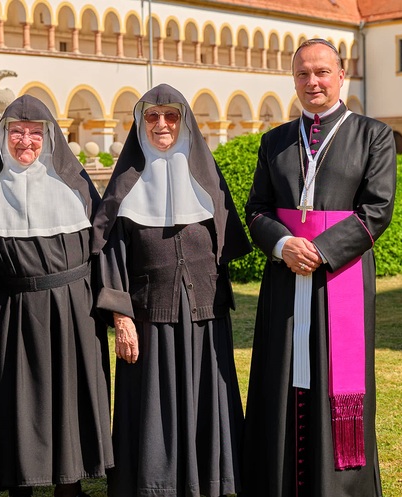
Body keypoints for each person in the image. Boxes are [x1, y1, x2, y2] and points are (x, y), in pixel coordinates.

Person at [239, 39, 396, 496]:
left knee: (334, 379)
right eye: (304, 74)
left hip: (338, 277)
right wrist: (285, 244)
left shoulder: (373, 135)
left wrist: (322, 250)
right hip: (285, 279)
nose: (313, 82)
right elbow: (256, 210)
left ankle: (340, 486)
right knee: (281, 375)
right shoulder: (275, 141)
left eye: (322, 72)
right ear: (294, 80)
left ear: (341, 76)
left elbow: (377, 209)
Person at [91, 83, 252, 497]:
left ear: (184, 122)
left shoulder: (207, 178)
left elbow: (223, 244)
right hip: (148, 316)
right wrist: (122, 317)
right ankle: (154, 483)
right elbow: (109, 255)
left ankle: (210, 480)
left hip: (204, 313)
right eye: (152, 116)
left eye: (171, 116)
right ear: (141, 123)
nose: (162, 124)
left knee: (205, 397)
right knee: (154, 405)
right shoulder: (126, 184)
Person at [0, 95, 113, 497]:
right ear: (3, 138)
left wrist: (114, 308)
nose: (25, 141)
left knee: (69, 395)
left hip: (71, 307)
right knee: (15, 399)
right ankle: (19, 484)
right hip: (8, 309)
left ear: (49, 139)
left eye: (35, 133)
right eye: (16, 132)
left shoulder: (77, 187)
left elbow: (104, 250)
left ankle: (70, 483)